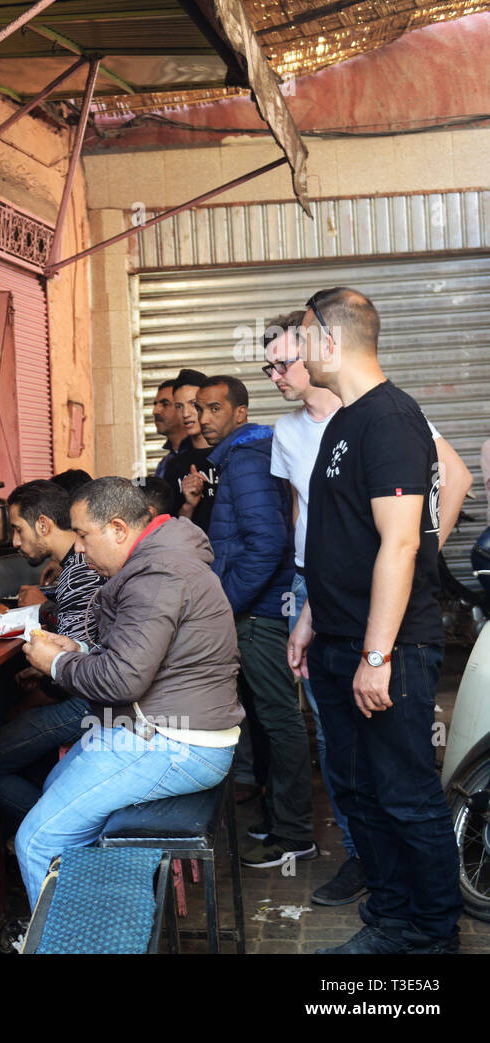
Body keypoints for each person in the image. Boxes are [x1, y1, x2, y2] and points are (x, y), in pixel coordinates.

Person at [266, 312, 473, 903]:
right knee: (359, 789)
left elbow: (403, 541)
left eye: (302, 342)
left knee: (405, 792)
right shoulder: (342, 423)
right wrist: (309, 618)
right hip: (334, 633)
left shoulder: (390, 419)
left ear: (330, 341)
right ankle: (388, 916)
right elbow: (335, 538)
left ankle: (430, 934)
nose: (296, 357)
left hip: (388, 645)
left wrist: (377, 653)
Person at [15, 478, 243, 907]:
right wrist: (79, 649)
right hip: (163, 726)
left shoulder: (156, 574)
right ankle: (104, 916)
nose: (78, 549)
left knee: (36, 842)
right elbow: (141, 655)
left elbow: (123, 680)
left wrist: (56, 664)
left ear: (118, 529)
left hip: (177, 739)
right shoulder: (158, 559)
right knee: (53, 784)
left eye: (83, 535)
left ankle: (86, 933)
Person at [194, 374, 315, 868]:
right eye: (199, 409)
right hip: (257, 609)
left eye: (215, 409)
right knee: (266, 721)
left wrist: (229, 602)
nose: (202, 419)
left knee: (280, 720)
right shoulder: (241, 457)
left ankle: (295, 834)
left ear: (240, 413)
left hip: (261, 614)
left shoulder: (245, 461)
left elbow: (267, 545)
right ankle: (278, 819)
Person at [0, 482, 105, 836]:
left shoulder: (78, 572)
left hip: (90, 702)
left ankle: (60, 833)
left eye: (17, 529)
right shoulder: (72, 569)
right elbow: (76, 646)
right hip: (91, 691)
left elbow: (71, 675)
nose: (14, 541)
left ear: (43, 524)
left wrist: (43, 681)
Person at [161, 368, 217, 531]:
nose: (186, 413)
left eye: (193, 404)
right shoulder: (175, 466)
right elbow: (173, 531)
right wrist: (188, 505)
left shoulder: (231, 454)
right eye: (179, 406)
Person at [150, 379, 187, 478]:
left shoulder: (206, 456)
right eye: (155, 404)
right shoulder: (164, 464)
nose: (155, 411)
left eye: (165, 404)